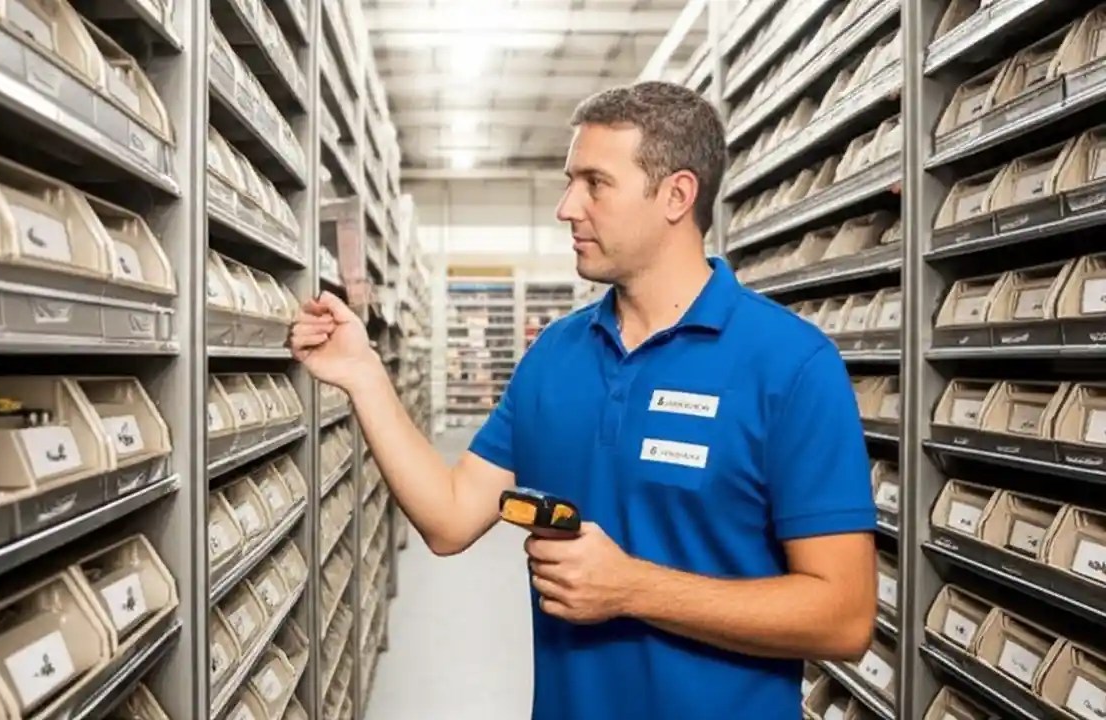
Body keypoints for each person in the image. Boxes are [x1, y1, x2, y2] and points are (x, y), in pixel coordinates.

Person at [290, 81, 877, 720]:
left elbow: (843, 617)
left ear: (677, 195)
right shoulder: (556, 356)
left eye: (595, 183)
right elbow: (451, 517)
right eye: (570, 181)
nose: (568, 207)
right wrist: (364, 375)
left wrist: (633, 589)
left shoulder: (791, 364)